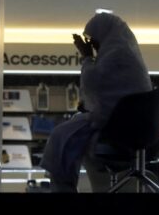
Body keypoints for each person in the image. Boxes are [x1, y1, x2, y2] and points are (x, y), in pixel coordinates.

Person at [40, 13, 152, 192]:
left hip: (116, 129)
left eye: (93, 40)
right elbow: (112, 95)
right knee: (67, 134)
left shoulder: (116, 56)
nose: (92, 45)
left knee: (62, 136)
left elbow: (93, 82)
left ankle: (63, 187)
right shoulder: (128, 56)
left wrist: (86, 57)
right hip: (135, 129)